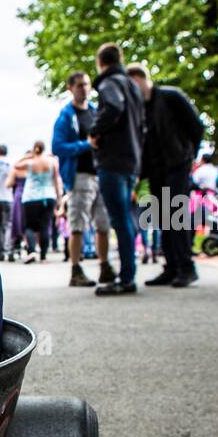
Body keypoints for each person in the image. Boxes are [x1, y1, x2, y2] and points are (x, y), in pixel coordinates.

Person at [126, 63, 205, 287]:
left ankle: (186, 267)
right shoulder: (141, 110)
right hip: (156, 171)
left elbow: (196, 127)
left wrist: (190, 156)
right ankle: (171, 266)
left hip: (178, 164)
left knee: (177, 217)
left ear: (141, 79)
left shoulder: (171, 97)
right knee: (162, 219)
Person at [88, 43, 146, 296]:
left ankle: (126, 277)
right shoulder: (132, 85)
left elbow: (112, 107)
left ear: (101, 62)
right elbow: (141, 124)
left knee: (120, 220)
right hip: (131, 159)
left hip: (113, 159)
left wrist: (95, 130)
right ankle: (128, 273)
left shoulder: (110, 83)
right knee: (125, 219)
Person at [52, 71, 112, 287]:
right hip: (79, 176)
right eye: (79, 85)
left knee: (103, 223)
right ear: (70, 88)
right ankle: (76, 269)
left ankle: (105, 266)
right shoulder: (66, 116)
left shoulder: (96, 112)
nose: (83, 88)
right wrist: (86, 145)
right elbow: (57, 147)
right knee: (77, 224)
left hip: (100, 174)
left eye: (86, 84)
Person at [8, 140, 63, 262]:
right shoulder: (52, 162)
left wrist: (27, 155)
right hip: (48, 196)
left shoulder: (30, 162)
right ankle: (43, 256)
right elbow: (57, 180)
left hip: (31, 197)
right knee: (44, 226)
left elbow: (16, 165)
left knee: (29, 227)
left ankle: (32, 251)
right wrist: (59, 198)